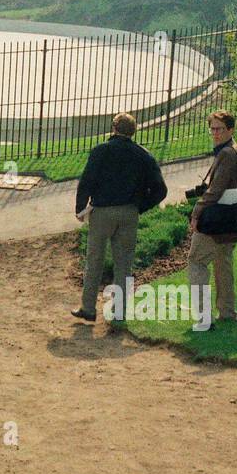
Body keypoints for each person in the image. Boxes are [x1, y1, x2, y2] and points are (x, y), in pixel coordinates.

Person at [71, 111, 167, 323]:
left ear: (114, 127)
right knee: (124, 263)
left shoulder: (100, 151)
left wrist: (80, 208)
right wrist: (139, 207)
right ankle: (119, 310)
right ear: (134, 131)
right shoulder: (143, 155)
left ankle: (88, 307)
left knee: (94, 260)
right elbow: (160, 190)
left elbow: (86, 181)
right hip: (128, 212)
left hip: (102, 212)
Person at [187, 110, 237, 331]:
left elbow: (215, 190)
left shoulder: (226, 154)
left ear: (230, 130)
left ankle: (204, 318)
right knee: (223, 262)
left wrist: (196, 212)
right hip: (233, 218)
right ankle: (227, 312)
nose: (214, 133)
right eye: (212, 128)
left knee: (196, 261)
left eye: (219, 129)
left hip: (218, 219)